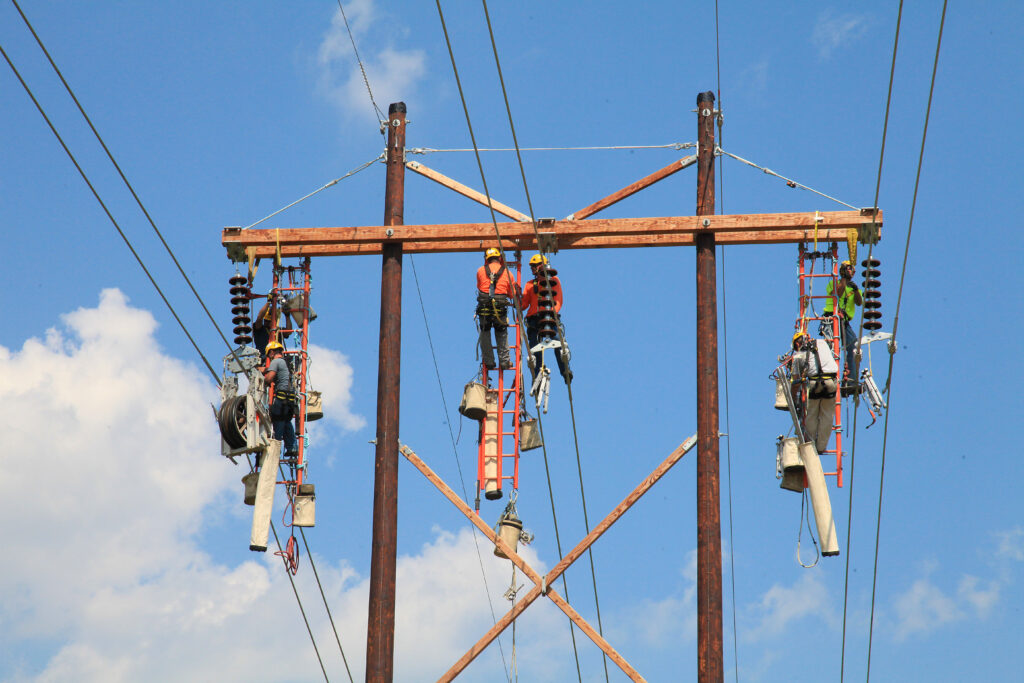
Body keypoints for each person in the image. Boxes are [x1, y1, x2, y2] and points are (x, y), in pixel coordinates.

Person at [521, 254, 570, 382]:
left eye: (534, 265)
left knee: (558, 343)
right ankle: (536, 376)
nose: (532, 268)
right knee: (534, 350)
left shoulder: (553, 281)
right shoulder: (529, 284)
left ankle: (565, 371)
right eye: (531, 266)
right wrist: (516, 296)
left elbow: (558, 299)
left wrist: (553, 313)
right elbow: (523, 304)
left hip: (549, 317)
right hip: (533, 320)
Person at [790, 330, 838, 453]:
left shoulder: (798, 356)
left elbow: (795, 382)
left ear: (796, 345)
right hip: (831, 382)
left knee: (812, 415)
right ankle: (821, 447)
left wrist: (792, 398)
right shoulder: (822, 343)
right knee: (827, 416)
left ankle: (810, 446)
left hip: (814, 384)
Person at [476, 248, 518, 370]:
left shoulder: (480, 271)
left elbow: (480, 287)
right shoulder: (508, 273)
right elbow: (512, 294)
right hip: (499, 308)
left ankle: (489, 361)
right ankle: (504, 361)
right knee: (501, 333)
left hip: (484, 308)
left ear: (486, 259)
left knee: (485, 333)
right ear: (500, 258)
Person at [824, 260, 862, 388]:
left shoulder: (854, 288)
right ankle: (828, 377)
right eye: (850, 269)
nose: (852, 272)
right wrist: (844, 280)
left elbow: (859, 302)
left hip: (843, 321)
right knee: (830, 346)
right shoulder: (833, 283)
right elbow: (838, 293)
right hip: (830, 318)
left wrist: (855, 289)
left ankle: (851, 378)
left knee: (853, 345)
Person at [262, 341, 298, 460]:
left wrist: (264, 378)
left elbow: (269, 378)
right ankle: (292, 447)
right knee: (286, 422)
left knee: (277, 421)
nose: (269, 357)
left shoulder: (276, 362)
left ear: (272, 352)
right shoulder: (286, 363)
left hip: (281, 398)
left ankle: (274, 449)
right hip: (290, 400)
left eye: (269, 355)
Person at [253, 298, 293, 363]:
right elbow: (259, 318)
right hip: (264, 359)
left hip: (278, 359)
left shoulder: (278, 331)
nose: (267, 323)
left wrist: (287, 316)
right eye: (266, 321)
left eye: (269, 321)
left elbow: (288, 332)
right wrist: (268, 303)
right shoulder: (260, 329)